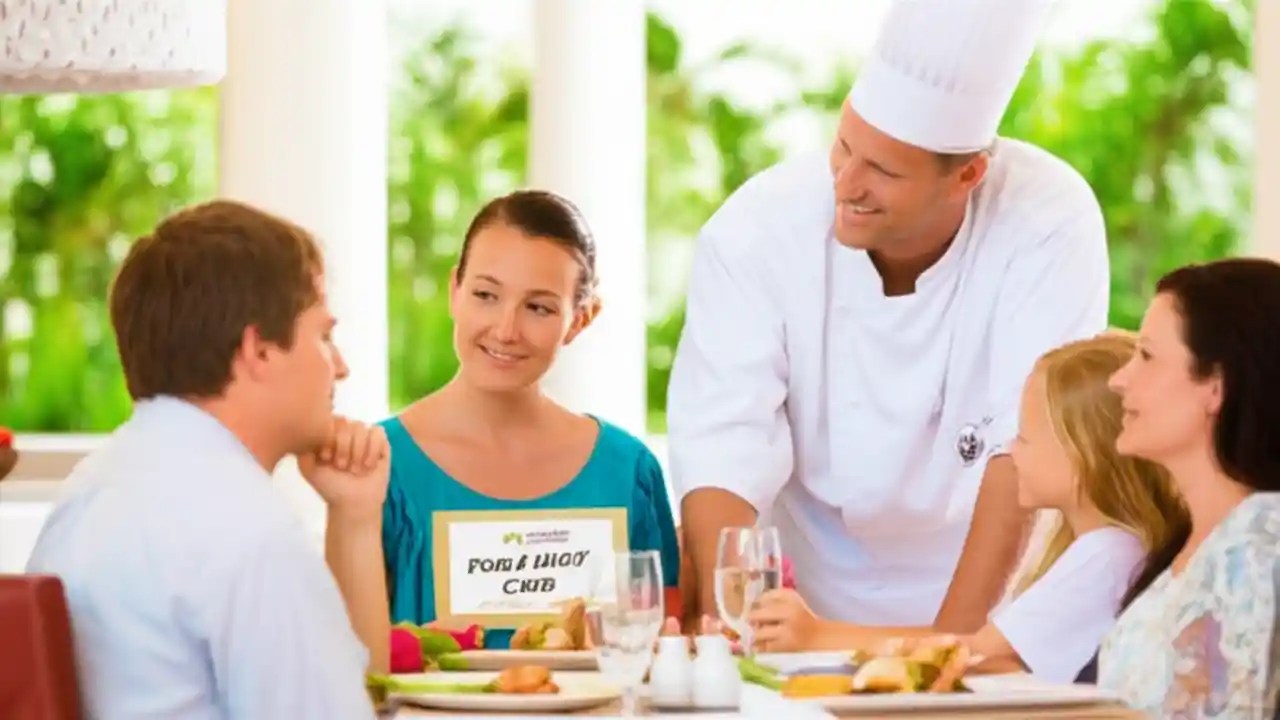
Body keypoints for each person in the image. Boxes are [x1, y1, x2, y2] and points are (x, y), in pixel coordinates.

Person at [668, 0, 1110, 632]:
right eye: (843, 147)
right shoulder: (756, 229)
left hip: (1004, 607)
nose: (846, 184)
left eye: (882, 170)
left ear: (968, 174)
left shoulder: (1047, 221)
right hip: (803, 606)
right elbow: (721, 443)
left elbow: (1024, 446)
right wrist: (728, 632)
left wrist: (945, 656)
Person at [25, 200, 384, 719]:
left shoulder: (92, 489)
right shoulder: (248, 531)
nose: (341, 366)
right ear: (259, 350)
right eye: (324, 336)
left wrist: (353, 516)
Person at [322, 190, 681, 649]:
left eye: (539, 307)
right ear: (455, 290)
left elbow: (664, 639)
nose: (505, 330)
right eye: (486, 295)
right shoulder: (378, 464)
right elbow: (341, 663)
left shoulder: (628, 471)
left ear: (580, 319)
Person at [746, 334, 1189, 684]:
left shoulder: (1108, 554)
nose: (1012, 452)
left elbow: (972, 655)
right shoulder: (1099, 549)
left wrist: (818, 635)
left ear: (1083, 459)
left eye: (1027, 439)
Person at [1099, 258, 1280, 719]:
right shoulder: (1188, 551)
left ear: (1216, 386)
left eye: (1147, 356)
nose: (1119, 380)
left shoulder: (1260, 540)